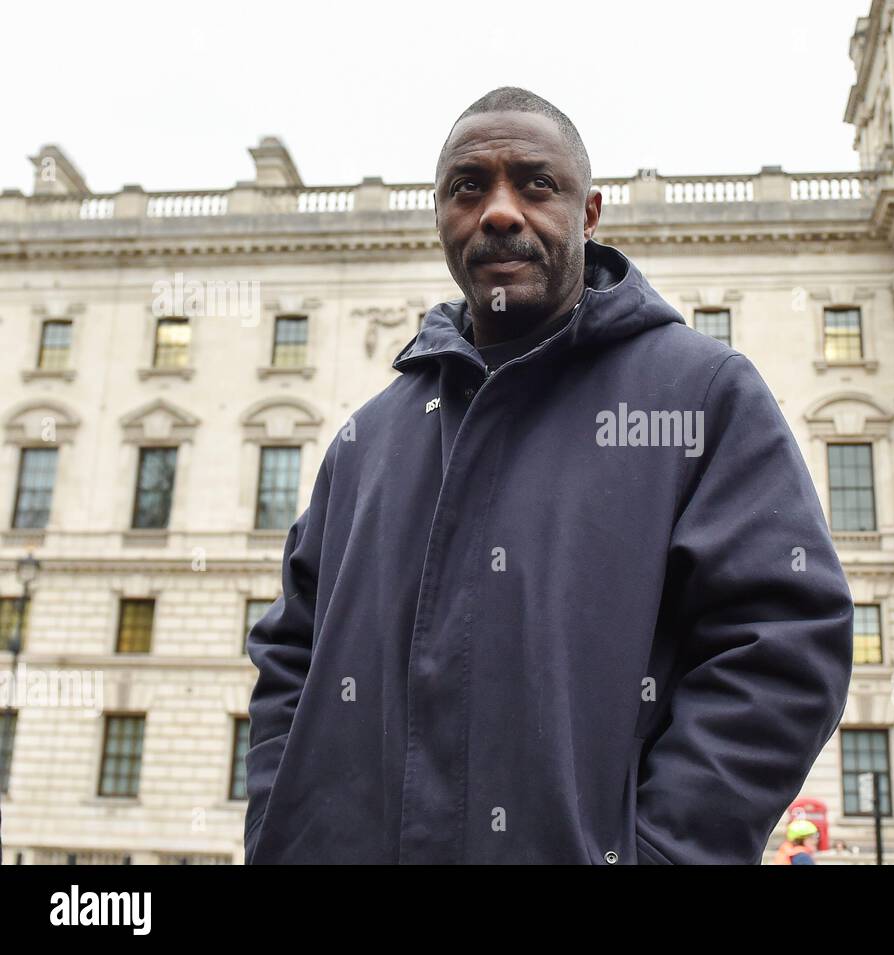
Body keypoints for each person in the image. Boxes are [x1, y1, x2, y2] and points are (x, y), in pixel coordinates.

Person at [244, 86, 854, 864]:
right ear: (439, 219)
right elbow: (287, 659)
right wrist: (278, 835)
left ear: (589, 213)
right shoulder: (368, 438)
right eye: (469, 187)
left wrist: (662, 854)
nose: (500, 210)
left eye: (536, 183)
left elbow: (785, 644)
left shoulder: (704, 395)